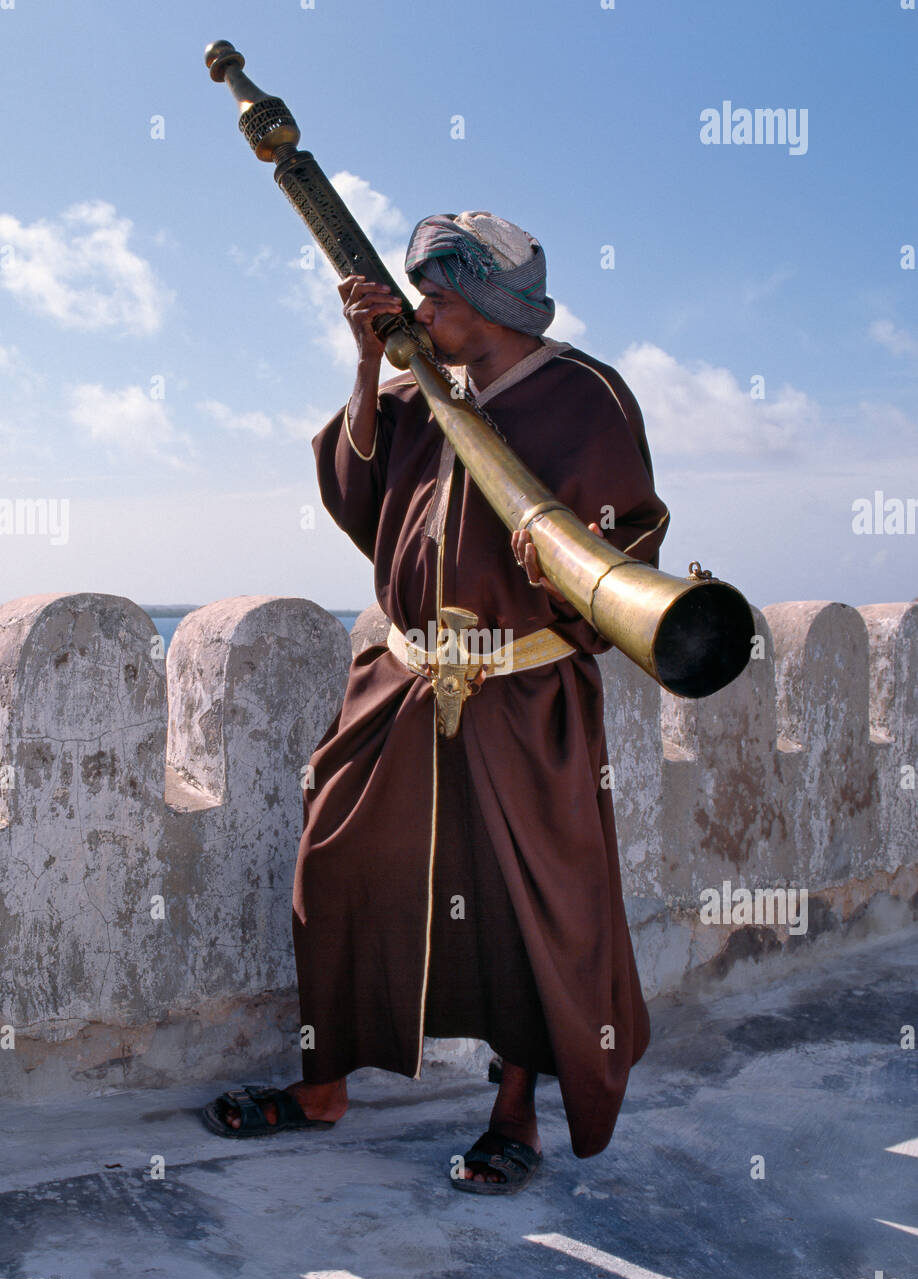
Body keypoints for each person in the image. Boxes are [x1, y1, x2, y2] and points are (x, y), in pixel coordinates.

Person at [203, 211, 670, 1193]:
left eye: (439, 297)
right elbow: (361, 501)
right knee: (334, 869)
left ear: (494, 305)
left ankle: (514, 1118)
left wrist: (576, 558)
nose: (422, 311)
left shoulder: (586, 396)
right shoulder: (422, 390)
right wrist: (368, 370)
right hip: (403, 679)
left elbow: (630, 553)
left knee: (528, 909)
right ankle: (324, 1085)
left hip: (523, 690)